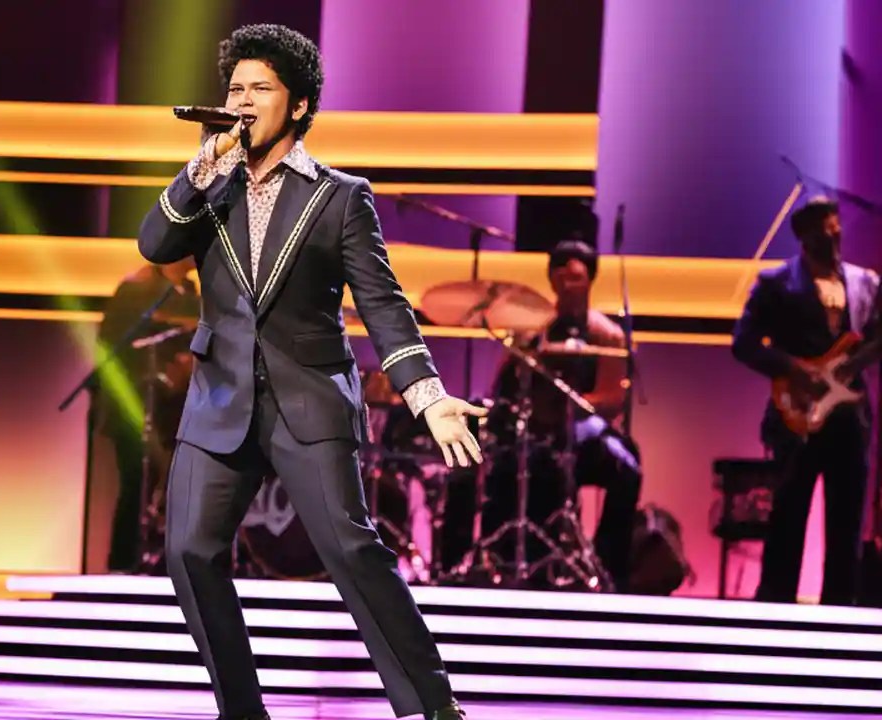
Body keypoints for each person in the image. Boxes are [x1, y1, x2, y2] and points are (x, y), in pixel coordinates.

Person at [138, 24, 484, 720]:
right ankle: (242, 711)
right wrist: (202, 168)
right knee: (188, 552)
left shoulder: (339, 197)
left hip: (309, 396)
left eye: (258, 88)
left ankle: (433, 707)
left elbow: (383, 304)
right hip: (220, 397)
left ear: (297, 105)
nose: (241, 100)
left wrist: (428, 395)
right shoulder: (211, 187)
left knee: (352, 550)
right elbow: (155, 242)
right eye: (234, 88)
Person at [733, 197, 881, 605]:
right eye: (822, 231)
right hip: (794, 416)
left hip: (850, 418)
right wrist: (797, 370)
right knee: (787, 519)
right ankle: (775, 617)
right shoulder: (776, 283)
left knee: (846, 525)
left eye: (836, 229)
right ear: (802, 237)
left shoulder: (865, 283)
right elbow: (743, 344)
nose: (833, 236)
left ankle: (840, 618)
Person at [482, 240, 644, 592]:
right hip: (535, 431)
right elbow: (503, 388)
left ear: (590, 281)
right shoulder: (531, 330)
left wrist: (570, 407)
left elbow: (613, 397)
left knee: (628, 465)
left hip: (582, 431)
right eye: (561, 278)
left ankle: (609, 565)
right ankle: (501, 560)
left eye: (576, 277)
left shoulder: (607, 333)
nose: (568, 285)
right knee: (501, 460)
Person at [93, 257, 199, 572]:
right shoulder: (137, 290)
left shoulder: (189, 293)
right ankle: (123, 566)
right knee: (137, 484)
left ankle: (162, 563)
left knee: (169, 487)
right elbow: (111, 347)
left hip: (173, 412)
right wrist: (162, 373)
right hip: (136, 407)